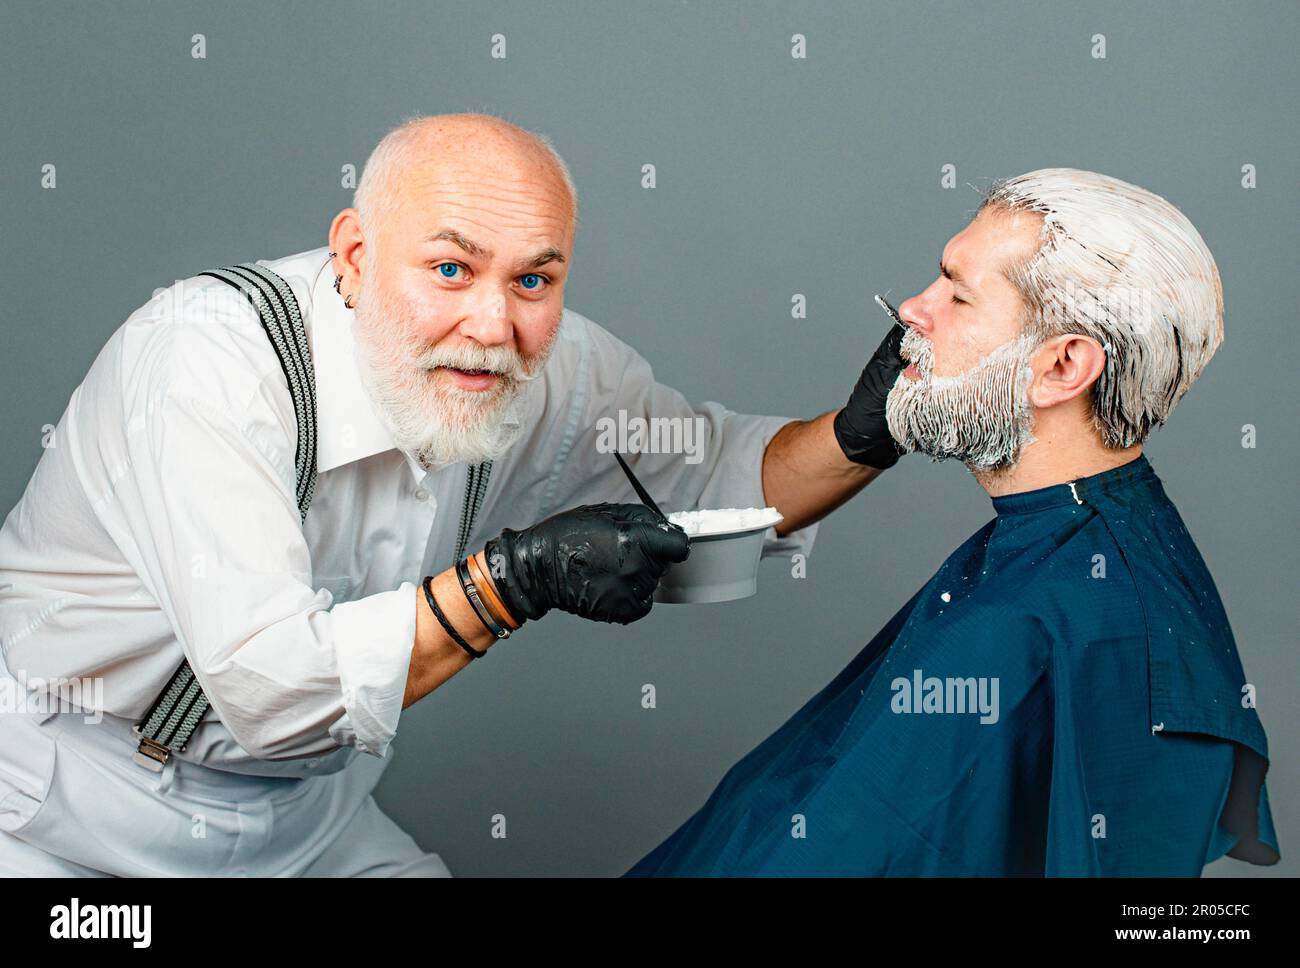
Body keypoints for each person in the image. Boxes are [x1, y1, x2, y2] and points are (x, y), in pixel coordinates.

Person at [0, 113, 908, 876]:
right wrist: (510, 585)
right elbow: (273, 689)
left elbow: (712, 480)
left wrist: (865, 433)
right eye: (449, 269)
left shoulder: (550, 365)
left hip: (309, 822)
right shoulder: (206, 362)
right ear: (354, 256)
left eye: (534, 279)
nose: (492, 324)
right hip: (67, 805)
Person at [627, 168, 1280, 877]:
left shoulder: (1059, 624)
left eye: (958, 294)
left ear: (1063, 366)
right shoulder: (1076, 547)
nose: (912, 308)